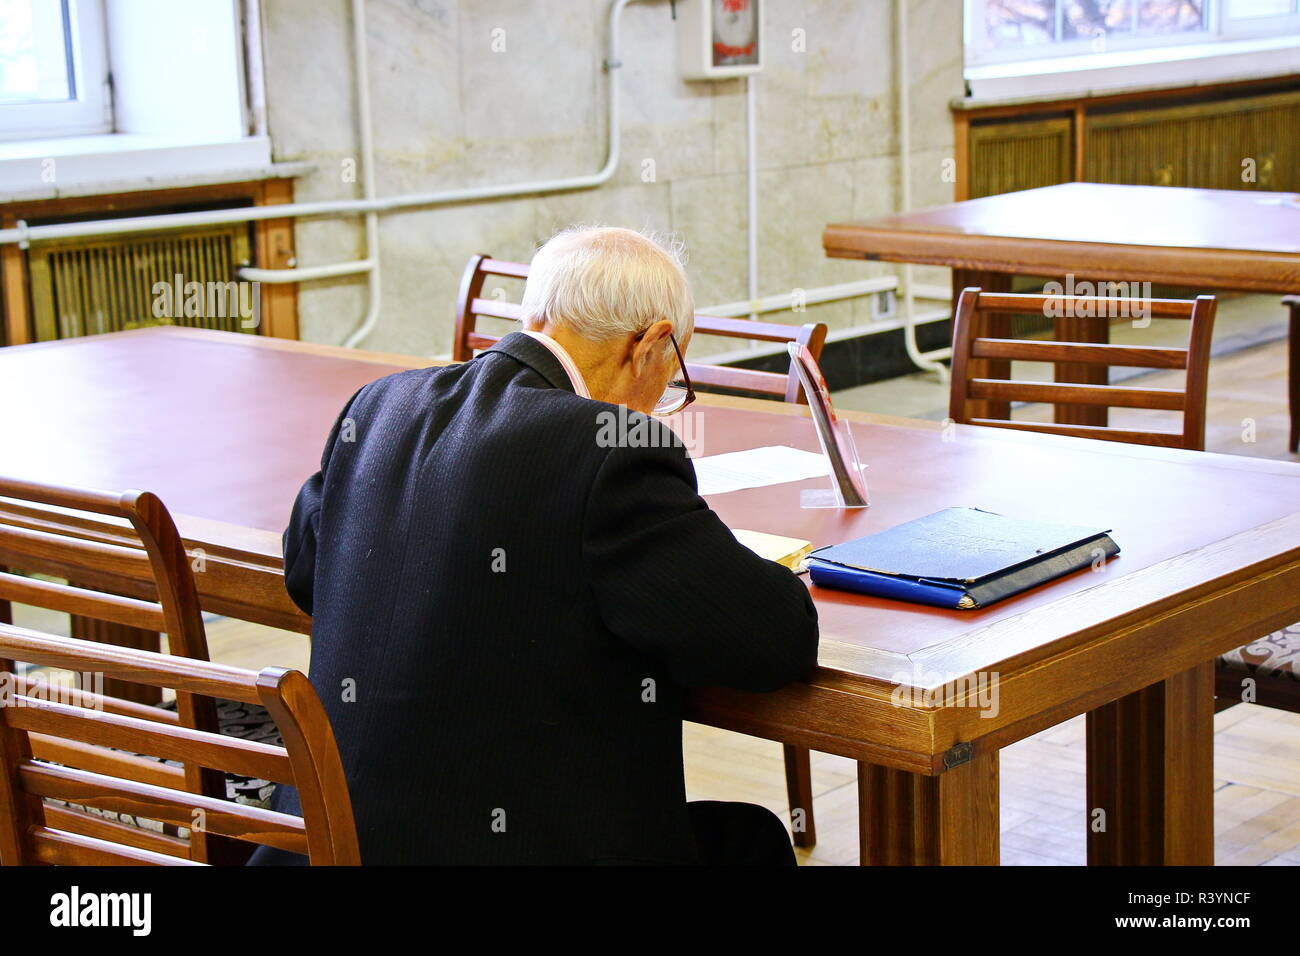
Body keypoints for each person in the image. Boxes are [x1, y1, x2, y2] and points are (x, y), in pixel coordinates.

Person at [253, 226, 819, 865]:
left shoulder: (381, 403)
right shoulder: (610, 450)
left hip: (324, 842)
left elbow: (305, 572)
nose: (660, 402)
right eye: (672, 377)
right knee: (754, 841)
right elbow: (772, 642)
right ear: (651, 344)